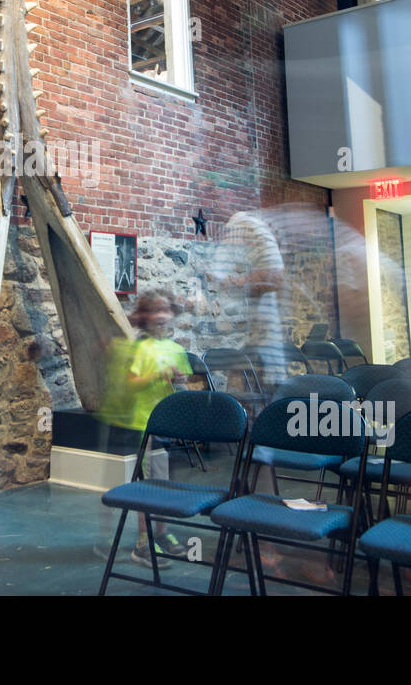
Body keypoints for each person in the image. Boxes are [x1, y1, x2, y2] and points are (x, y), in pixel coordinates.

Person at [99, 290, 192, 565]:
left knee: (165, 486)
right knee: (150, 486)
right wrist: (156, 375)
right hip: (146, 425)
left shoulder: (176, 349)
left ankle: (161, 535)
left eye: (165, 310)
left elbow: (183, 385)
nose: (161, 316)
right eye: (154, 311)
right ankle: (143, 542)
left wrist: (179, 378)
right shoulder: (141, 348)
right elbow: (132, 381)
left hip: (170, 428)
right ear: (144, 318)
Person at [210, 209, 288, 395]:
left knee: (263, 394)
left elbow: (276, 278)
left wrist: (240, 282)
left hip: (265, 340)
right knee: (239, 390)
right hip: (252, 339)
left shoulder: (251, 230)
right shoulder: (247, 235)